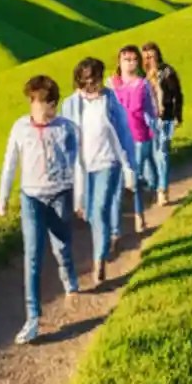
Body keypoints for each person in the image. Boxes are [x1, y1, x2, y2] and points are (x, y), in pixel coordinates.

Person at [0, 75, 80, 344]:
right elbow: (10, 163)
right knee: (32, 255)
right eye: (45, 105)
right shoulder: (20, 128)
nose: (49, 112)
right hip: (31, 197)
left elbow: (79, 164)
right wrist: (3, 197)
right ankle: (32, 318)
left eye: (53, 106)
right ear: (33, 102)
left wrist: (80, 197)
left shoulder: (67, 128)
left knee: (62, 246)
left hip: (61, 194)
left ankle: (70, 279)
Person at [61, 57, 138, 284]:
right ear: (81, 81)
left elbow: (123, 132)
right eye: (89, 81)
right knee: (89, 214)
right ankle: (101, 249)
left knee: (100, 211)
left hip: (108, 163)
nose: (94, 85)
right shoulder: (71, 104)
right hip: (83, 168)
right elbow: (64, 138)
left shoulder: (110, 100)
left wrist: (129, 166)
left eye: (97, 79)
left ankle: (99, 260)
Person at [106, 45, 154, 233]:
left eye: (134, 59)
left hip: (138, 136)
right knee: (117, 183)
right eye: (126, 59)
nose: (130, 63)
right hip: (116, 139)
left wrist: (154, 128)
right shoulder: (110, 84)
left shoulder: (143, 84)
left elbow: (150, 110)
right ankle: (115, 227)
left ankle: (139, 215)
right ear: (119, 61)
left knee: (135, 180)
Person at [142, 41, 183, 206]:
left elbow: (177, 94)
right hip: (146, 120)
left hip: (165, 118)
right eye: (146, 57)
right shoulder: (140, 74)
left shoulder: (167, 72)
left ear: (158, 55)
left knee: (162, 154)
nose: (150, 59)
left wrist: (177, 115)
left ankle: (162, 189)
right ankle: (154, 185)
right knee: (149, 156)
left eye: (152, 55)